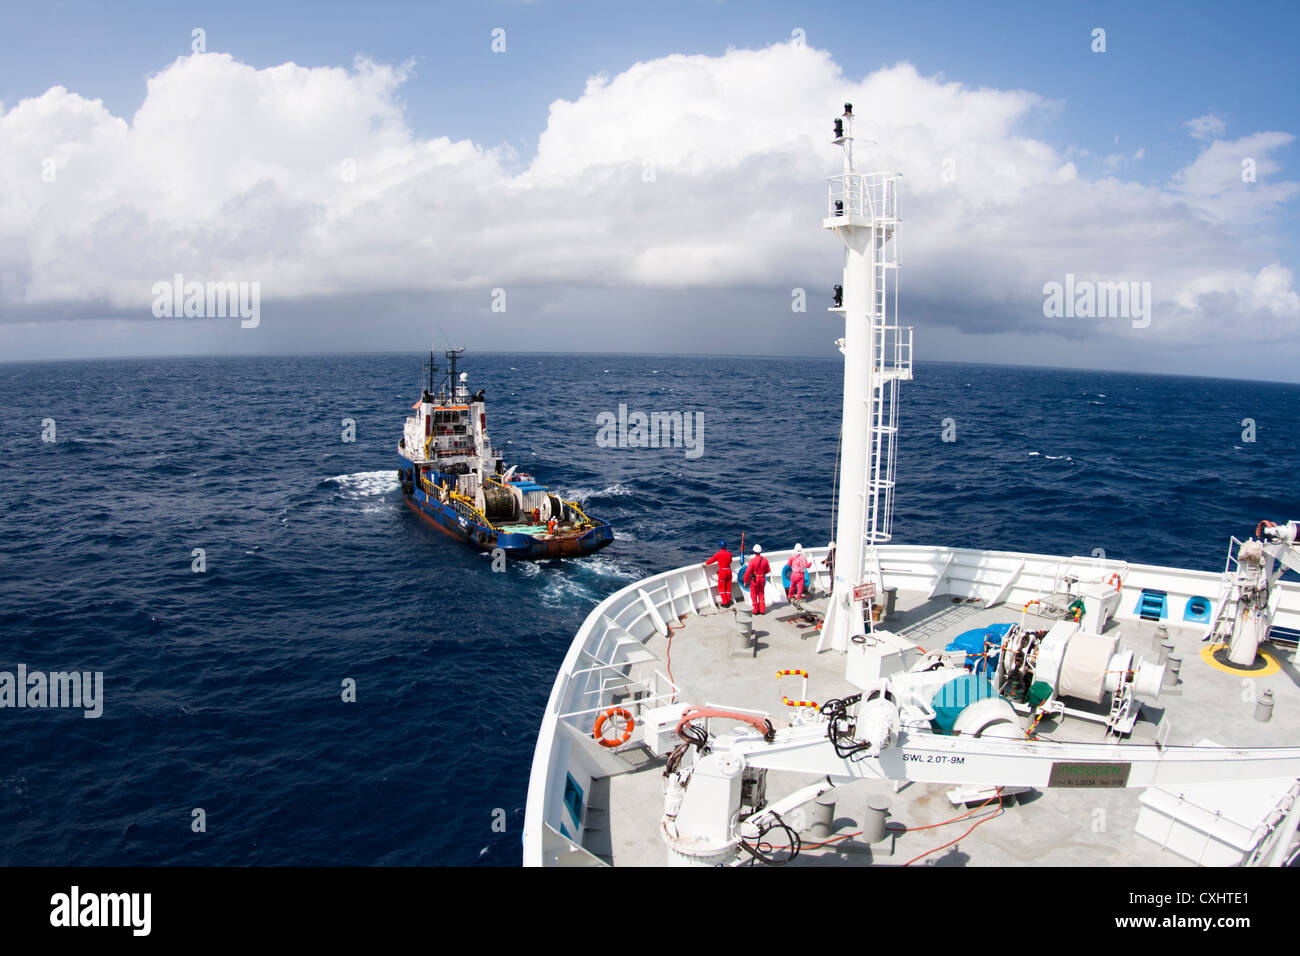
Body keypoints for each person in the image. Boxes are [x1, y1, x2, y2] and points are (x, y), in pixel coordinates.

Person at [703, 540, 733, 605]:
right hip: (729, 571)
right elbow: (730, 561)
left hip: (722, 572)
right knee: (728, 587)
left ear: (720, 547)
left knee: (721, 588)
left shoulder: (718, 554)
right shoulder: (730, 554)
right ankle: (728, 600)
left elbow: (711, 560)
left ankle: (725, 603)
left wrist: (705, 564)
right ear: (726, 546)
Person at [742, 544, 771, 614]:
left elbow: (747, 573)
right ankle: (762, 610)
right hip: (762, 579)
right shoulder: (765, 560)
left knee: (754, 594)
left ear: (754, 552)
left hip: (755, 580)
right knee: (761, 593)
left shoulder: (752, 561)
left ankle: (755, 610)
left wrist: (745, 581)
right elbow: (768, 570)